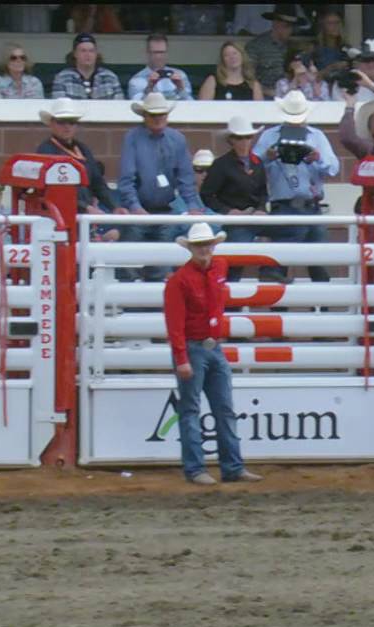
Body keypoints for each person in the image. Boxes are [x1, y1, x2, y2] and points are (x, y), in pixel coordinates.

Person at [163, 222, 264, 486]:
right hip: (196, 347)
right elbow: (175, 325)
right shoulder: (180, 281)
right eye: (199, 245)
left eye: (207, 244)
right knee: (194, 409)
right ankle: (200, 468)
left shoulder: (216, 268)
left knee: (221, 408)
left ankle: (228, 467)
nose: (204, 249)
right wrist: (182, 357)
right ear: (192, 248)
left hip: (211, 345)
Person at [252, 90, 340, 284]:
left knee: (318, 264)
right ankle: (278, 307)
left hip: (312, 205)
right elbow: (252, 166)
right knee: (279, 264)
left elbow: (334, 168)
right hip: (284, 205)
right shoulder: (269, 136)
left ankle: (322, 309)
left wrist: (318, 159)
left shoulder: (317, 136)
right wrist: (268, 157)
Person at [117, 92, 204, 282]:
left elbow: (185, 178)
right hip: (139, 211)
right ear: (145, 116)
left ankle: (153, 306)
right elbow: (127, 178)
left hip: (165, 210)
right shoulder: (132, 138)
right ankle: (128, 305)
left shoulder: (177, 139)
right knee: (127, 265)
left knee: (161, 264)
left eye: (161, 115)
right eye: (153, 115)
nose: (158, 119)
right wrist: (135, 207)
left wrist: (193, 206)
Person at [34, 97, 119, 242]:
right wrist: (85, 207)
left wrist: (115, 206)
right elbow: (54, 190)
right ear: (52, 124)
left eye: (72, 122)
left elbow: (97, 182)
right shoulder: (46, 150)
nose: (67, 127)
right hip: (58, 218)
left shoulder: (82, 148)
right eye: (61, 122)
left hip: (83, 217)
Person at [200, 116, 268, 283]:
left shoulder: (257, 162)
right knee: (235, 262)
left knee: (284, 237)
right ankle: (230, 298)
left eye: (248, 137)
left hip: (256, 218)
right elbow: (206, 194)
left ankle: (270, 274)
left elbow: (263, 192)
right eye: (240, 137)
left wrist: (260, 209)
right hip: (237, 222)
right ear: (231, 140)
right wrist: (228, 211)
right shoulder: (221, 165)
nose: (244, 142)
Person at [246, 4, 301, 97]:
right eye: (286, 26)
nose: (290, 31)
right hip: (266, 98)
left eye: (292, 27)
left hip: (293, 96)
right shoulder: (256, 46)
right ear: (275, 23)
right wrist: (270, 92)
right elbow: (247, 77)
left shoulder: (294, 47)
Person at [51, 33, 124, 100]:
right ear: (75, 54)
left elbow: (120, 105)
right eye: (83, 51)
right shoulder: (62, 78)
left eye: (91, 51)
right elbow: (59, 105)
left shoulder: (110, 77)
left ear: (96, 54)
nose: (87, 54)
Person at [127, 33, 193, 101]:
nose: (159, 57)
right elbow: (137, 106)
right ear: (148, 53)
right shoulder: (136, 80)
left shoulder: (180, 75)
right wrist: (149, 88)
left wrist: (180, 88)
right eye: (155, 52)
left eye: (162, 52)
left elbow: (191, 105)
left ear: (167, 53)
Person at [199, 41, 263, 101]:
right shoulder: (212, 80)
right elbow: (202, 107)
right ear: (223, 60)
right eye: (227, 55)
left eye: (235, 53)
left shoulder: (253, 84)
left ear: (242, 56)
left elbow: (260, 110)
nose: (232, 57)